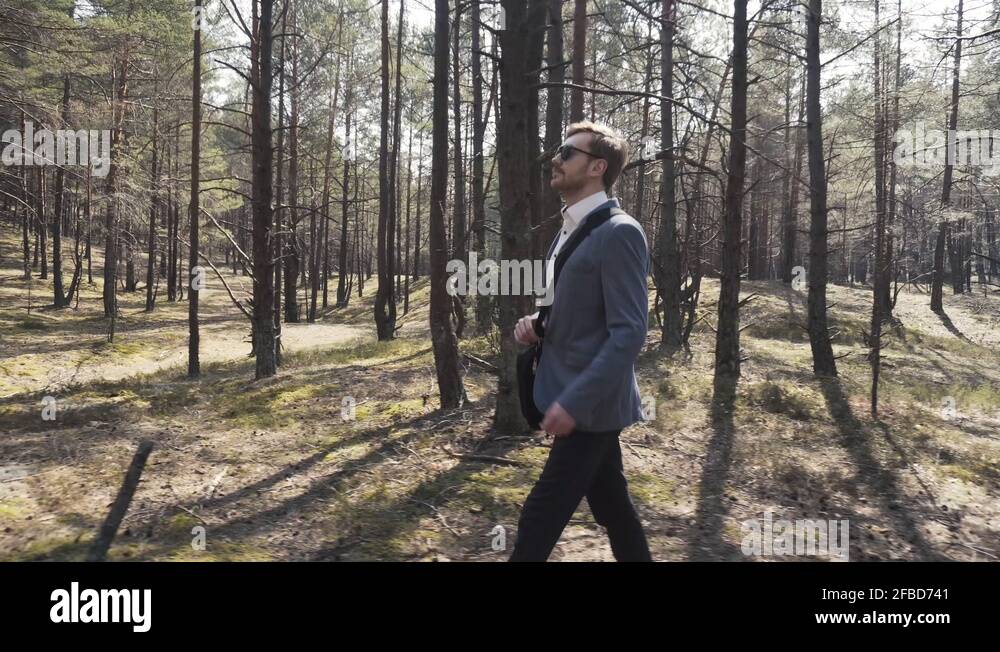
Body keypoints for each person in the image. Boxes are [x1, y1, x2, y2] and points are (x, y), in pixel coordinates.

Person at [509, 121, 653, 562]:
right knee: (613, 507)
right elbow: (575, 309)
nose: (555, 159)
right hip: (572, 395)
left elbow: (629, 331)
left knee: (539, 516)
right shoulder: (567, 230)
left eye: (566, 152)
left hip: (589, 406)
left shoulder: (619, 232)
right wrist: (539, 323)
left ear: (597, 167)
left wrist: (574, 402)